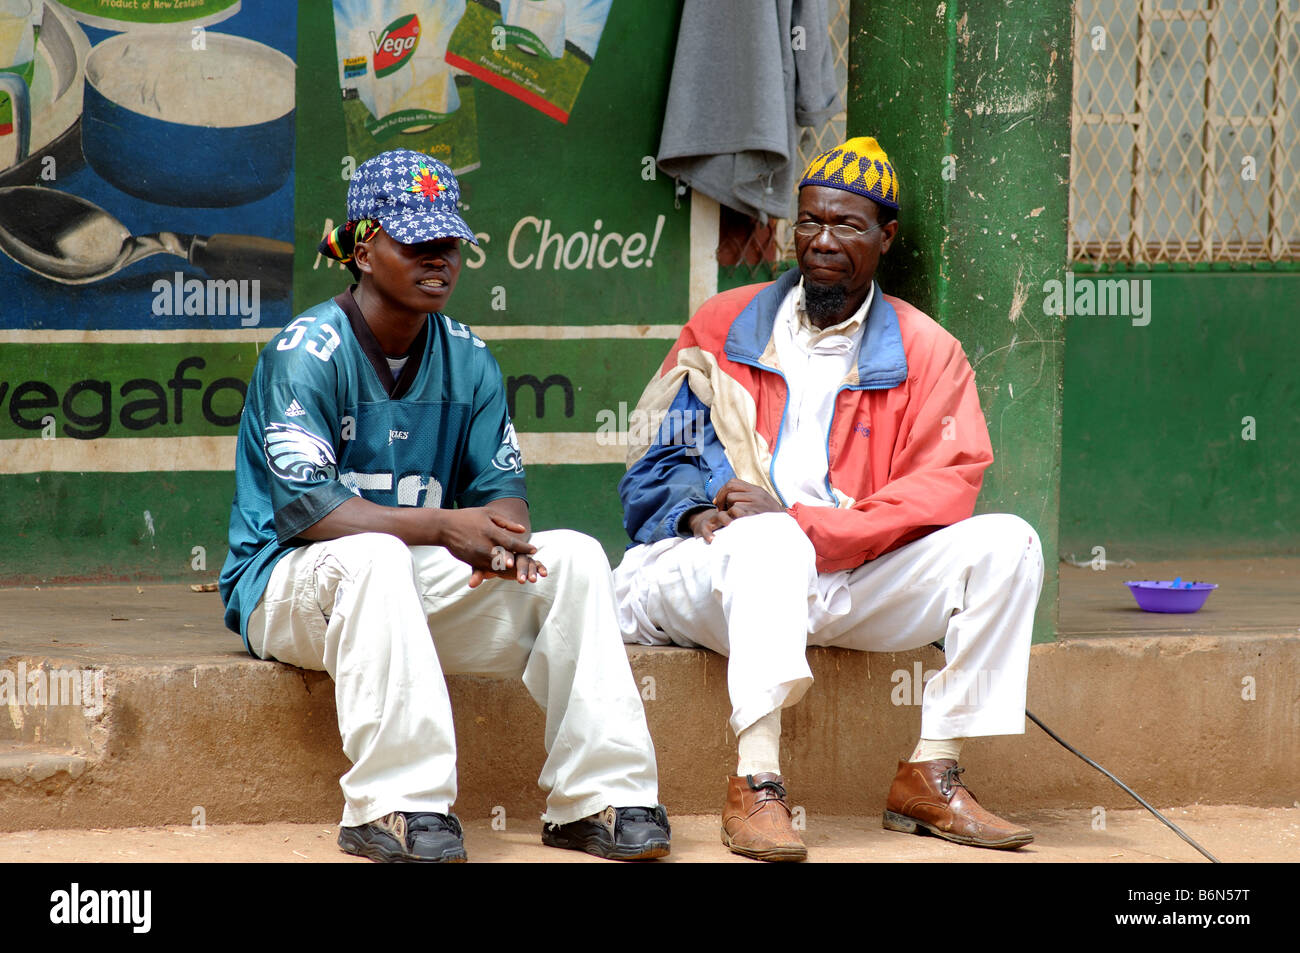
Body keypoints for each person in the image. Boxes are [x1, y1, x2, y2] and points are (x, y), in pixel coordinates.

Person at [219, 150, 669, 863]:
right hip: (288, 587)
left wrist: (499, 539)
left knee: (575, 557)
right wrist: (442, 526)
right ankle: (395, 803)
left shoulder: (468, 356)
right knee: (375, 554)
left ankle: (598, 797)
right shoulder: (305, 352)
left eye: (448, 241)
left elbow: (504, 502)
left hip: (397, 589)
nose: (440, 259)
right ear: (364, 250)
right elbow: (309, 514)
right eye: (417, 242)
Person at [615, 136, 1043, 862]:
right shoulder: (723, 324)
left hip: (843, 574)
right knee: (769, 543)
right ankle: (756, 782)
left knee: (1010, 543)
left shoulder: (927, 351)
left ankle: (929, 774)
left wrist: (807, 527)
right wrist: (700, 504)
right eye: (809, 222)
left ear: (886, 236)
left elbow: (942, 488)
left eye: (847, 225)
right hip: (711, 571)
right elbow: (652, 464)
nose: (822, 242)